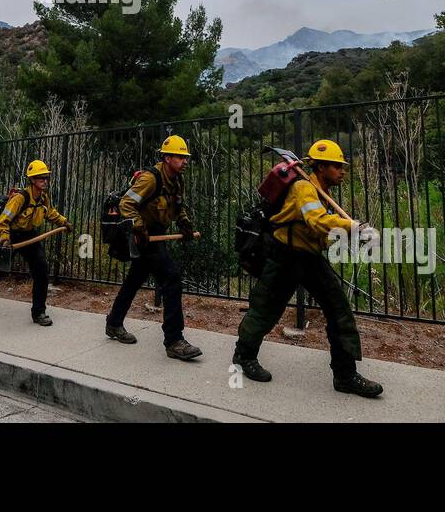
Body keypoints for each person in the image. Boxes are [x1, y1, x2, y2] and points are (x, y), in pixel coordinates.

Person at [232, 140, 383, 398]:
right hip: (285, 256)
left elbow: (323, 230)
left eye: (342, 166)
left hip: (310, 257)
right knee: (266, 310)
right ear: (321, 167)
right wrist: (354, 227)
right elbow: (316, 221)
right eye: (336, 166)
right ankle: (244, 356)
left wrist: (358, 235)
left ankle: (345, 375)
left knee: (339, 311)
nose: (342, 171)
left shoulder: (320, 192)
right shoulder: (303, 188)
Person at [105, 135, 203, 361]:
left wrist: (185, 223)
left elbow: (178, 206)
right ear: (167, 158)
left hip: (156, 235)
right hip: (144, 238)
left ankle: (113, 323)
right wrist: (139, 229)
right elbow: (126, 204)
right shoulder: (151, 178)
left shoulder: (177, 179)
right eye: (180, 156)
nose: (185, 161)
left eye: (185, 157)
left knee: (134, 281)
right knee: (172, 278)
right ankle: (174, 341)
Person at [0, 160, 71, 325]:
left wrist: (64, 222)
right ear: (32, 180)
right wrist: (4, 240)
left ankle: (39, 312)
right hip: (10, 236)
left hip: (30, 236)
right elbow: (4, 221)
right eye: (41, 178)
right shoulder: (20, 198)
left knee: (41, 270)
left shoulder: (43, 197)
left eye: (46, 178)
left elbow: (50, 213)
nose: (45, 181)